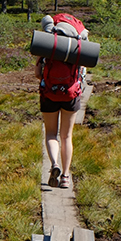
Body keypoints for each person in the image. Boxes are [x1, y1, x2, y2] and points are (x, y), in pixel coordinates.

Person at [35, 15, 87, 189]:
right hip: (71, 94)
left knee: (51, 134)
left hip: (49, 92)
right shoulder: (78, 41)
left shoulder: (50, 41)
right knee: (66, 136)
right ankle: (65, 177)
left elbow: (37, 74)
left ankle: (54, 165)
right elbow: (83, 71)